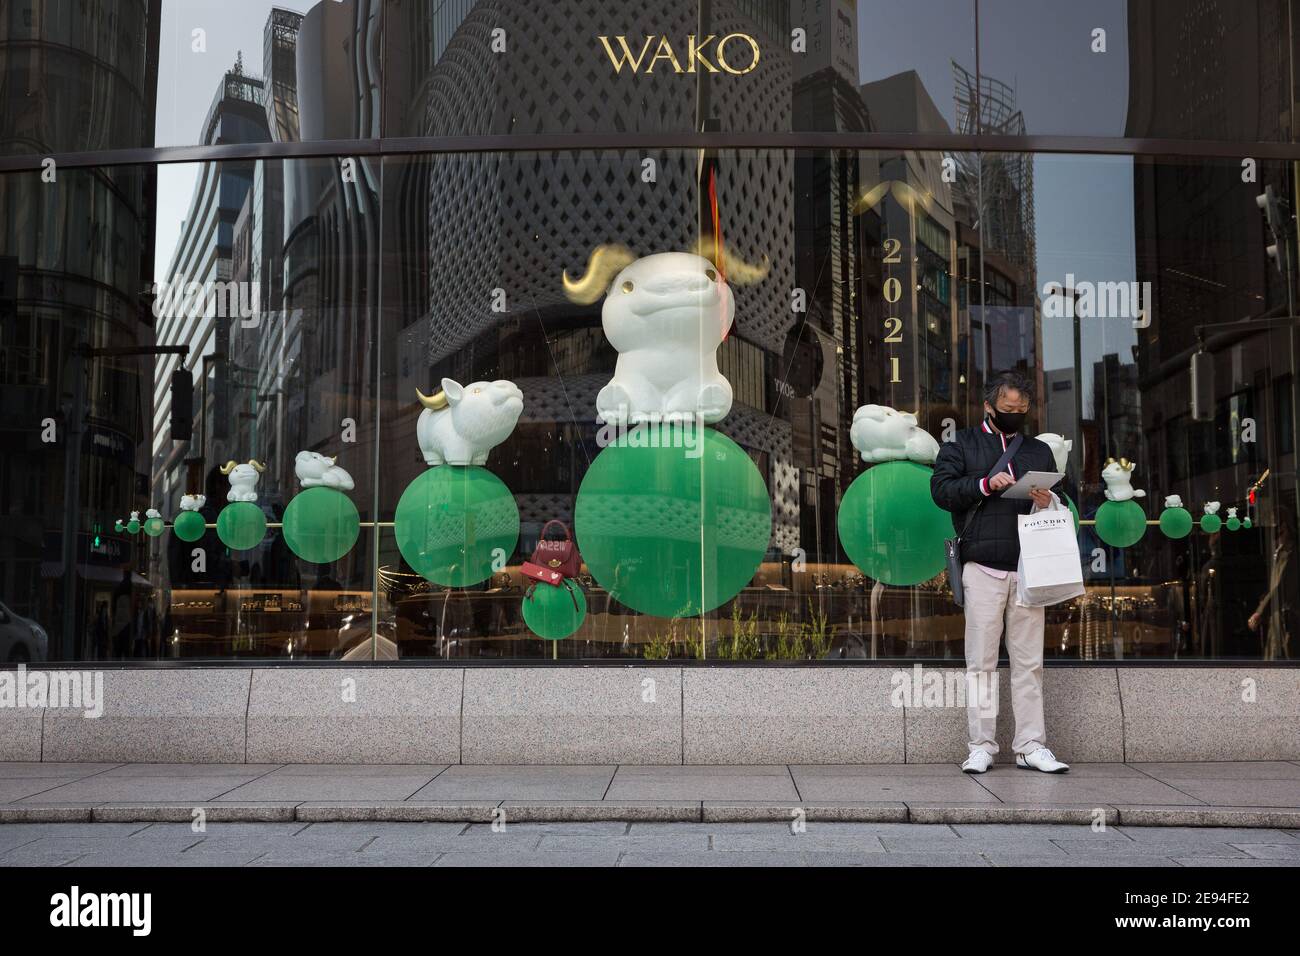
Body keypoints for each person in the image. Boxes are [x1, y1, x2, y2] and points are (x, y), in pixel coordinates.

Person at [931, 369, 1070, 774]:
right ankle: (981, 746)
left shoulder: (1039, 451)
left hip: (1029, 568)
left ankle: (1031, 745)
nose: (1016, 414)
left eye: (1022, 409)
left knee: (1030, 664)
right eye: (1009, 408)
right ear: (989, 406)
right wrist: (985, 484)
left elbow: (1062, 498)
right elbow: (941, 491)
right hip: (982, 567)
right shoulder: (961, 442)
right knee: (981, 662)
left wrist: (1047, 500)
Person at [1249, 508, 1296, 661]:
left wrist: (1260, 611)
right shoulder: (1280, 552)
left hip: (1288, 619)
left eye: (1282, 527)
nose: (1279, 531)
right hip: (1278, 618)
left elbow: (1283, 586)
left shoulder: (1292, 554)